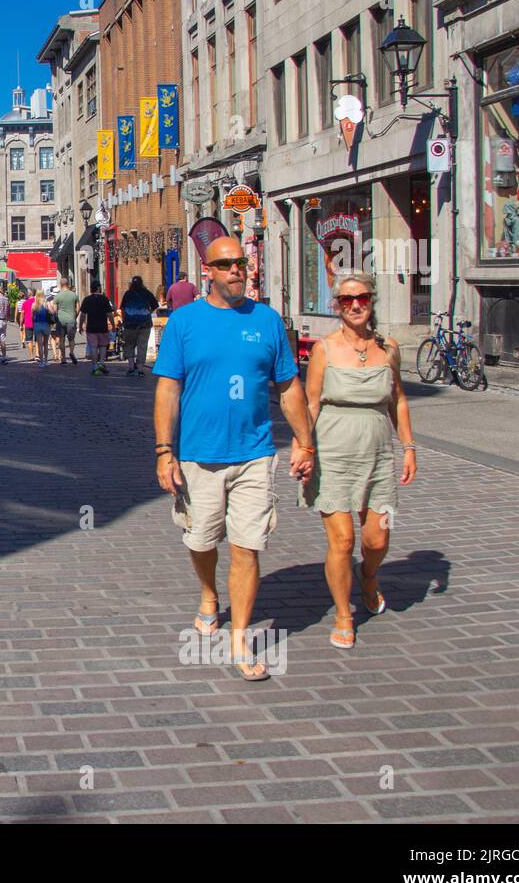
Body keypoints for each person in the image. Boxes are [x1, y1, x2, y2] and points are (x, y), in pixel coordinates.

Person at [153, 236, 315, 681]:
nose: (236, 271)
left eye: (240, 263)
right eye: (225, 265)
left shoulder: (266, 322)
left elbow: (289, 388)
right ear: (208, 270)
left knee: (247, 547)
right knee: (201, 540)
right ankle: (208, 594)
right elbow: (168, 389)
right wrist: (165, 452)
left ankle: (240, 638)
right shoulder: (184, 323)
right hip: (198, 455)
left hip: (255, 454)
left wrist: (305, 441)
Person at [302, 275, 417, 649]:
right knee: (343, 539)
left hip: (379, 452)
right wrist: (304, 448)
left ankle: (369, 577)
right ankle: (343, 613)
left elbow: (398, 399)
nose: (355, 305)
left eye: (362, 298)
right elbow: (311, 402)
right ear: (336, 305)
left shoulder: (390, 348)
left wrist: (409, 447)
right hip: (333, 452)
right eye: (347, 300)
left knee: (377, 538)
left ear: (371, 301)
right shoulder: (324, 350)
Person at [120, 276, 159, 377]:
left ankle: (131, 367)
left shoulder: (128, 294)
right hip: (144, 324)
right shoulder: (147, 293)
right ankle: (141, 369)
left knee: (129, 345)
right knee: (142, 346)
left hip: (130, 324)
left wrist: (125, 320)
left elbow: (123, 308)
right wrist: (147, 313)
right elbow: (155, 305)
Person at [79, 281, 115, 376]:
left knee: (93, 347)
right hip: (103, 326)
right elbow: (109, 314)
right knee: (103, 346)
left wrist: (80, 325)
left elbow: (82, 314)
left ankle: (95, 367)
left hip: (91, 327)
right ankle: (102, 363)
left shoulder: (87, 300)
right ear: (99, 288)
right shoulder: (104, 299)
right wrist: (113, 325)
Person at [53, 279, 79, 365]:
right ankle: (71, 352)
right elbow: (78, 308)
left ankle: (63, 359)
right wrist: (75, 316)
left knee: (61, 339)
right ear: (68, 284)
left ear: (60, 285)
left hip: (61, 320)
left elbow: (54, 309)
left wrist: (56, 317)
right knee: (71, 339)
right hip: (71, 320)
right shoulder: (74, 295)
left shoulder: (58, 296)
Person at [31, 289, 53, 367]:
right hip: (46, 324)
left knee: (39, 344)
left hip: (37, 325)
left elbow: (32, 316)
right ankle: (46, 360)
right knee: (46, 343)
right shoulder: (46, 303)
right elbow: (52, 312)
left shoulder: (34, 304)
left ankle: (41, 362)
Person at [17, 289, 35, 361]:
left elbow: (22, 315)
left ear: (28, 294)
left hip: (28, 323)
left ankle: (31, 356)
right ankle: (37, 355)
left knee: (29, 340)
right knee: (37, 340)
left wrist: (21, 324)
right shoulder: (38, 301)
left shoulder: (26, 302)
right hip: (37, 322)